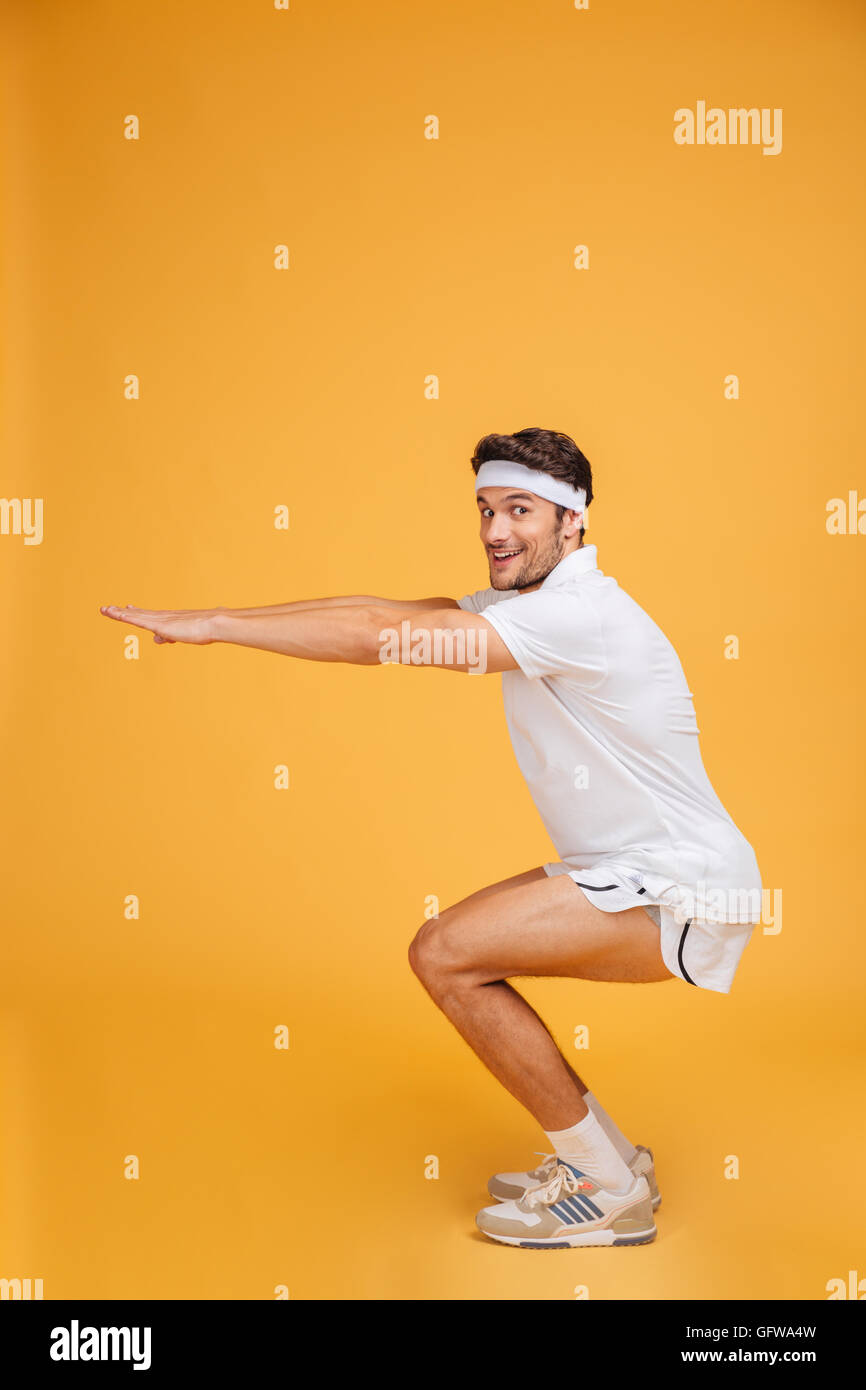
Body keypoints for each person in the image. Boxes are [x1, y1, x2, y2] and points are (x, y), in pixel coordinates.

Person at [99, 426, 762, 1249]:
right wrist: (214, 619)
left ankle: (603, 1183)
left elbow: (384, 640)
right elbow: (382, 617)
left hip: (683, 885)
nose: (494, 531)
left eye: (519, 509)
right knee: (445, 950)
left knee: (446, 953)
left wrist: (219, 627)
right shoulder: (536, 608)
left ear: (573, 523)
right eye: (485, 508)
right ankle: (610, 1163)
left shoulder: (578, 617)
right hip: (637, 870)